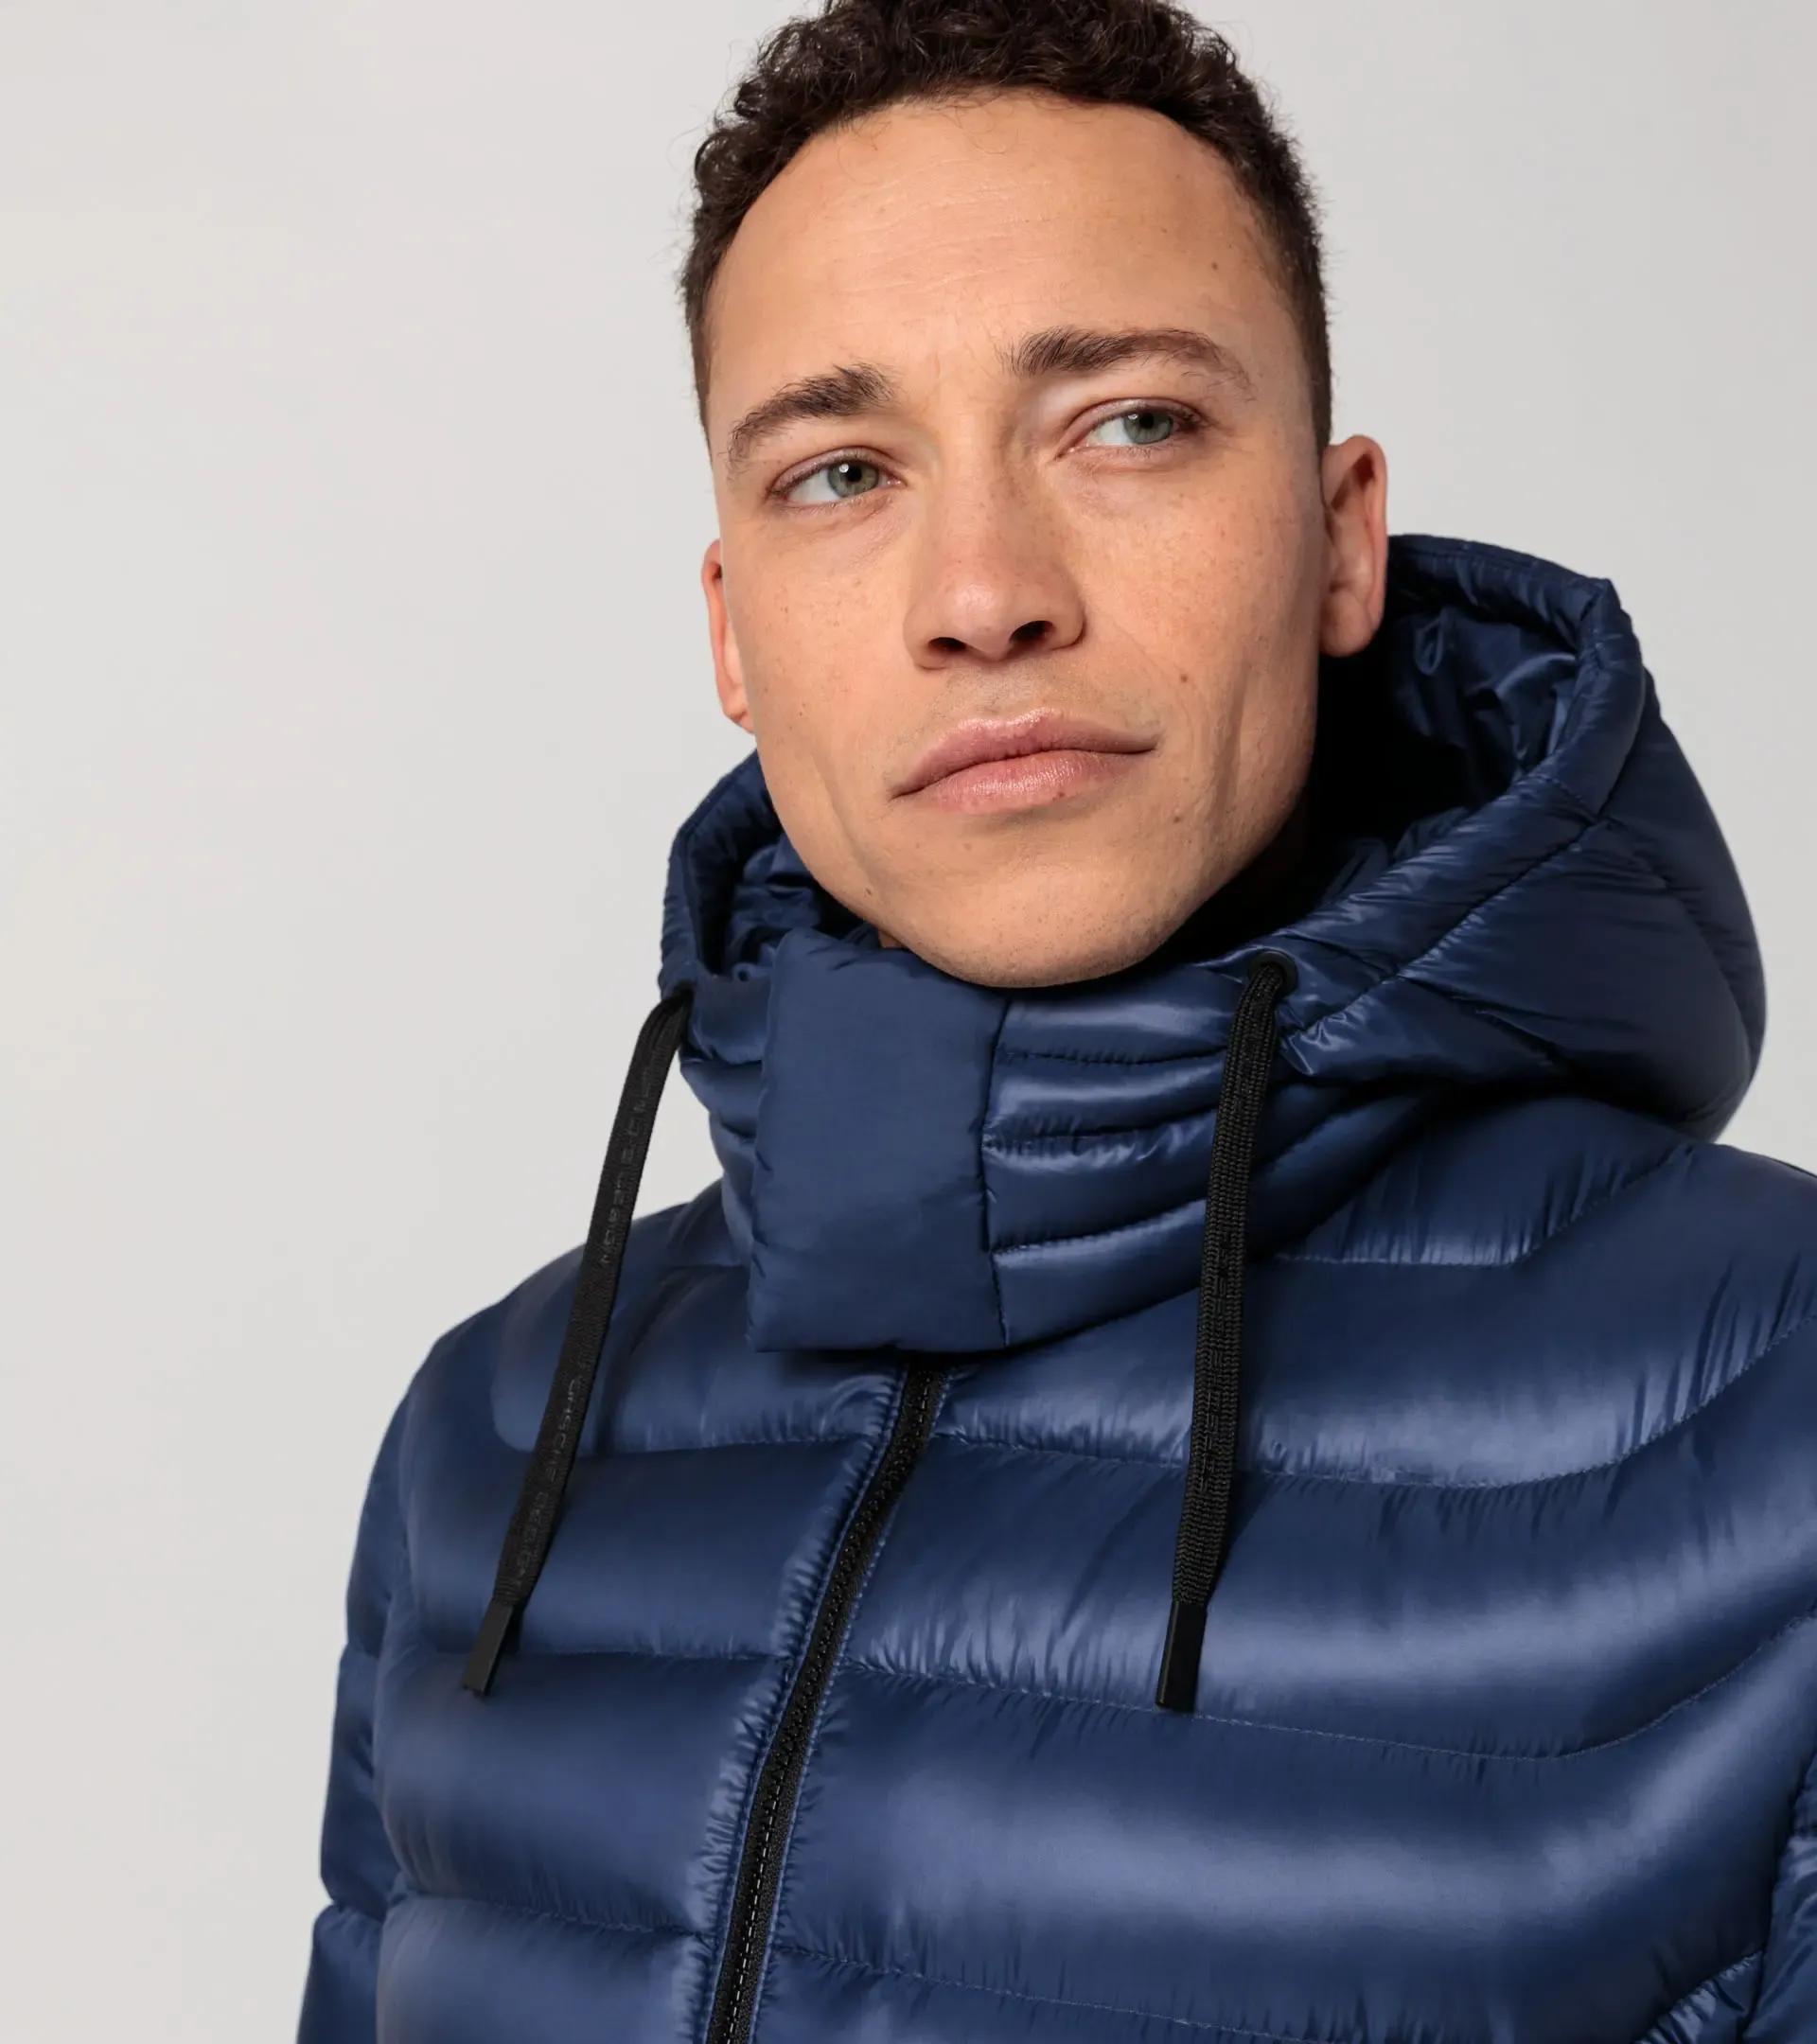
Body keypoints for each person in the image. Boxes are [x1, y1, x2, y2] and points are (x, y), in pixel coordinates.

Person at [296, 4, 1817, 2039]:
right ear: (736, 629)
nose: (986, 592)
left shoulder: (1778, 1398)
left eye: (1130, 424)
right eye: (844, 472)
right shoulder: (488, 1443)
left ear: (1342, 539)